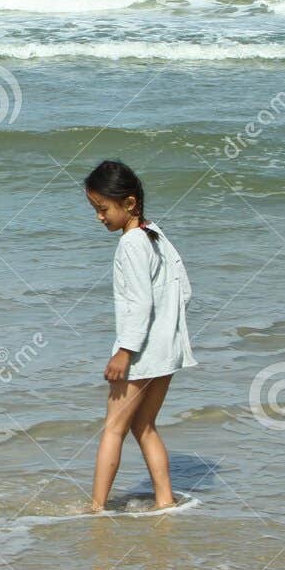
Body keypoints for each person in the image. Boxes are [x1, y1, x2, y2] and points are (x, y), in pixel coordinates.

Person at [82, 159, 195, 512]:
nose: (99, 217)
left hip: (140, 352)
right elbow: (185, 290)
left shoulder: (131, 243)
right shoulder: (157, 235)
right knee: (144, 425)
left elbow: (140, 303)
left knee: (113, 428)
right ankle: (165, 500)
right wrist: (166, 331)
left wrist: (125, 352)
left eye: (103, 209)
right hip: (167, 350)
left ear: (129, 203)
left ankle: (96, 507)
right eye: (95, 209)